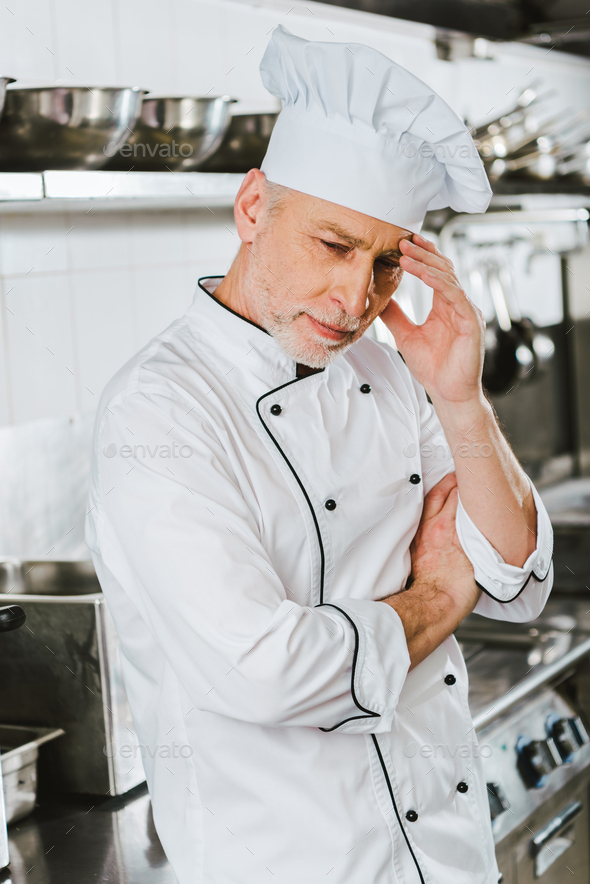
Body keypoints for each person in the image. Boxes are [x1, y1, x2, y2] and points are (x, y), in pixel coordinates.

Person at [85, 25, 553, 884]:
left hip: (447, 856)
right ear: (254, 205)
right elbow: (270, 673)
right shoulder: (160, 410)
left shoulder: (385, 363)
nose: (354, 300)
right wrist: (441, 593)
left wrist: (460, 399)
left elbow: (519, 581)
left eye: (384, 265)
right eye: (333, 246)